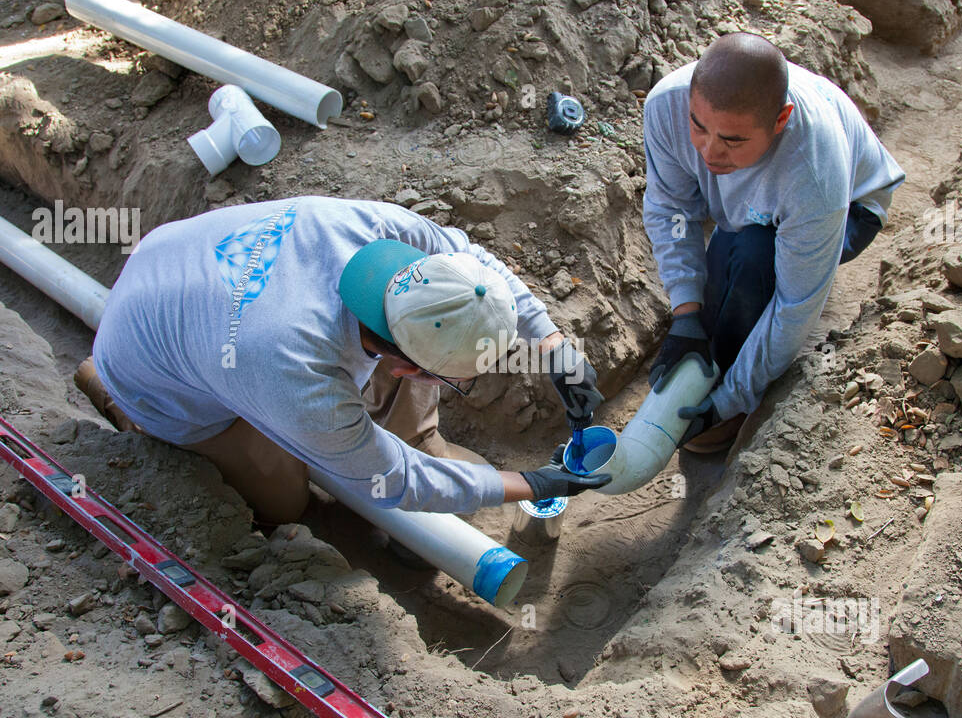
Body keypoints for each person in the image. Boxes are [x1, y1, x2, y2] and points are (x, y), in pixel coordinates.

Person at [76, 196, 609, 524]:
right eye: (452, 381)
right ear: (407, 369)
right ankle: (108, 390)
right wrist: (535, 484)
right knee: (285, 501)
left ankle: (394, 436)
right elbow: (392, 481)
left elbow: (476, 271)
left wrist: (556, 348)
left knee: (361, 430)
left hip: (178, 265)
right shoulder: (295, 369)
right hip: (146, 365)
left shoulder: (386, 239)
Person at [642, 32, 906, 452]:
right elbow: (672, 209)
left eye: (732, 140)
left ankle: (728, 393)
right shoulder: (667, 105)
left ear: (780, 121)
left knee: (753, 258)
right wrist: (685, 313)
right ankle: (707, 349)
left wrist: (727, 402)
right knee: (727, 264)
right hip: (754, 208)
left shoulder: (813, 175)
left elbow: (795, 303)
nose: (709, 151)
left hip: (853, 207)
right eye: (698, 126)